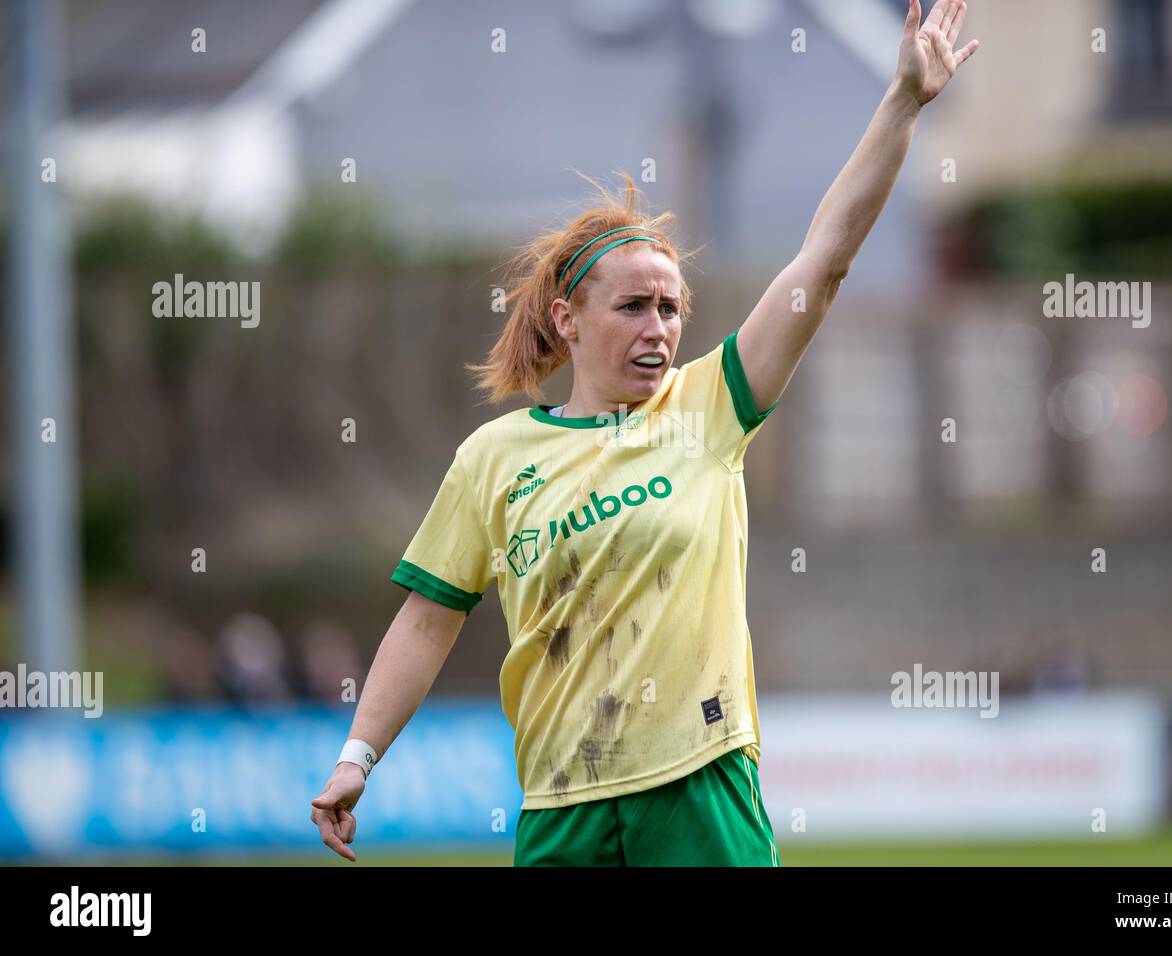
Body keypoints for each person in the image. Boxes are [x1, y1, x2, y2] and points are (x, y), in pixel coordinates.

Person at [311, 0, 978, 866]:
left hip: (698, 782)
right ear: (569, 320)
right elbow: (427, 619)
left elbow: (826, 258)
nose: (659, 327)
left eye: (670, 307)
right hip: (561, 802)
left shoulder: (709, 408)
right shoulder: (495, 458)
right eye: (633, 306)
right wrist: (357, 757)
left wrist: (901, 103)